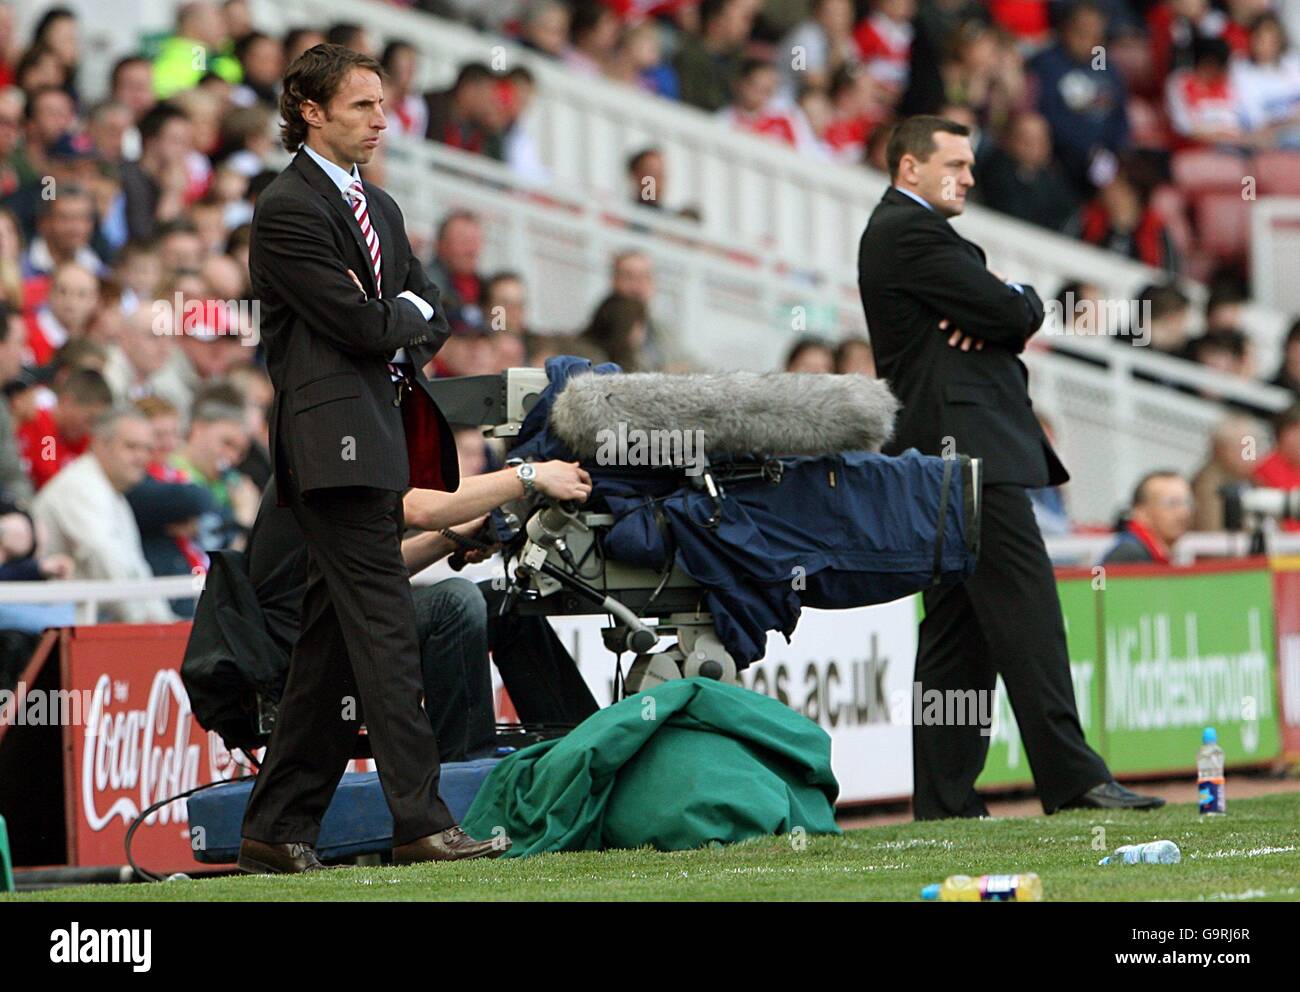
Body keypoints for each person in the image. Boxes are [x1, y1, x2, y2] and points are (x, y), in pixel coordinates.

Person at [238, 43, 500, 875]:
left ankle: (274, 831)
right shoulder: (286, 207)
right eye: (362, 106)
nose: (381, 120)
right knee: (386, 633)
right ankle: (420, 821)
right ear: (310, 112)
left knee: (330, 650)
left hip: (377, 440)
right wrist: (398, 312)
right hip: (332, 450)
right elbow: (362, 325)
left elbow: (437, 313)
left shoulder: (379, 207)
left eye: (382, 105)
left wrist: (396, 312)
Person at [856, 115, 1163, 818]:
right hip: (966, 457)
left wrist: (996, 300)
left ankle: (943, 802)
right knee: (1028, 618)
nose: (969, 177)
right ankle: (1074, 781)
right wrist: (1006, 297)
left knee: (957, 637)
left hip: (947, 456)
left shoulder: (909, 233)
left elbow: (996, 311)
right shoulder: (909, 231)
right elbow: (1012, 314)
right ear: (909, 168)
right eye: (955, 165)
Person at [31, 406, 175, 623]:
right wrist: (147, 626)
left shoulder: (113, 492)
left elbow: (136, 569)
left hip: (89, 620)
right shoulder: (80, 485)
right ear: (100, 444)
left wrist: (164, 623)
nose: (141, 457)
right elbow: (104, 558)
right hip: (58, 624)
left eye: (147, 449)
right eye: (131, 446)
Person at [1102, 471, 1195, 564]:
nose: (1183, 511)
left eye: (1187, 502)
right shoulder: (1130, 555)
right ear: (1141, 512)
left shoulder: (1156, 553)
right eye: (1172, 503)